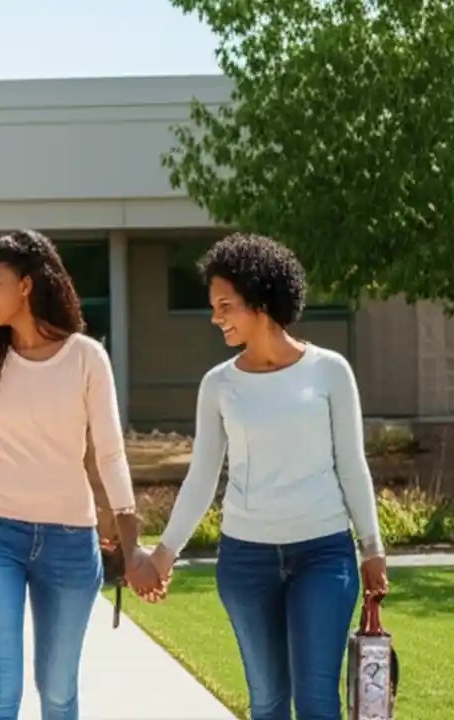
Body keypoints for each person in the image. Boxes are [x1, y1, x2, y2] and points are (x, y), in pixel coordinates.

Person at [0, 230, 160, 720]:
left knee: (57, 692)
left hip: (70, 541)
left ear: (26, 285)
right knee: (0, 693)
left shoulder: (87, 357)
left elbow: (110, 454)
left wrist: (131, 542)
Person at [149, 233, 388, 720]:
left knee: (318, 702)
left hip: (324, 553)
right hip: (246, 560)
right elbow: (201, 477)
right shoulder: (218, 384)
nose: (215, 317)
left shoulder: (329, 372)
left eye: (224, 305)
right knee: (268, 702)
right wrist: (164, 552)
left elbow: (352, 462)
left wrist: (373, 546)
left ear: (259, 297)